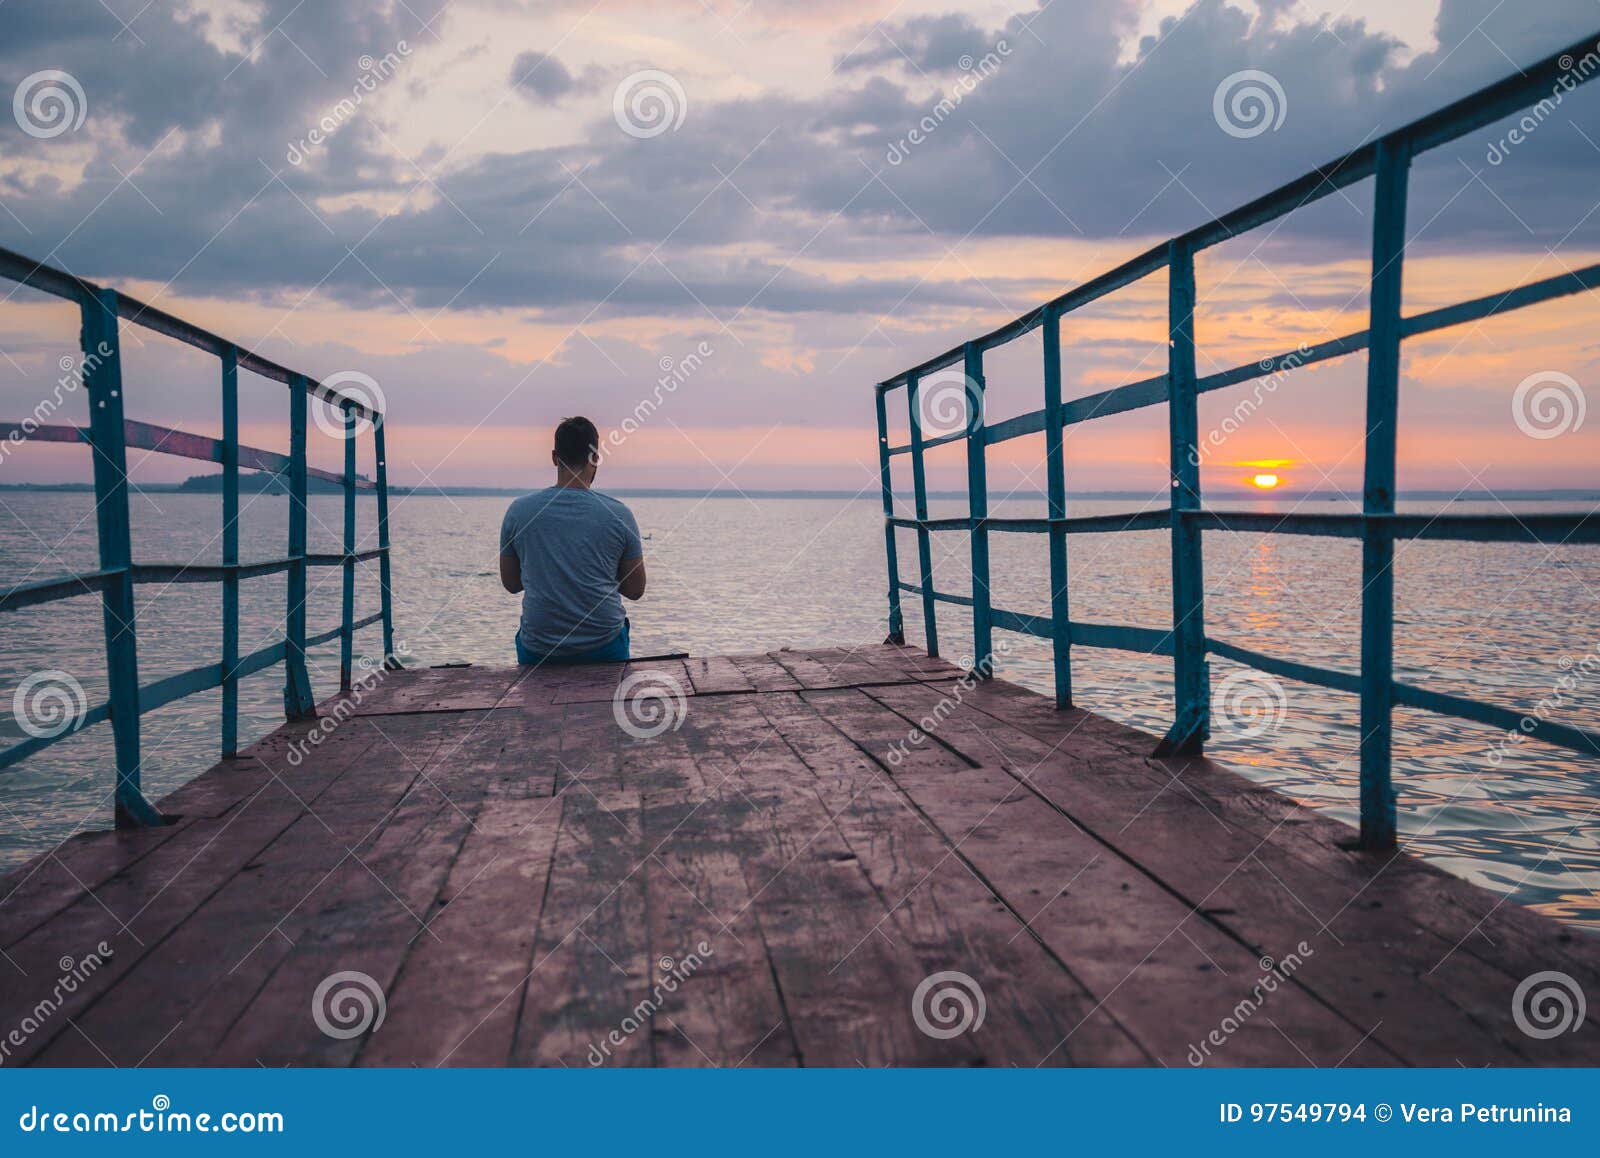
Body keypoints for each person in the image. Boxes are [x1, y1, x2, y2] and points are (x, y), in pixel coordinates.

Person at [499, 417, 646, 665]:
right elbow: (635, 590)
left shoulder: (519, 511)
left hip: (540, 648)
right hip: (604, 646)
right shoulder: (618, 514)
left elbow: (512, 584)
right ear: (595, 458)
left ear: (555, 457)